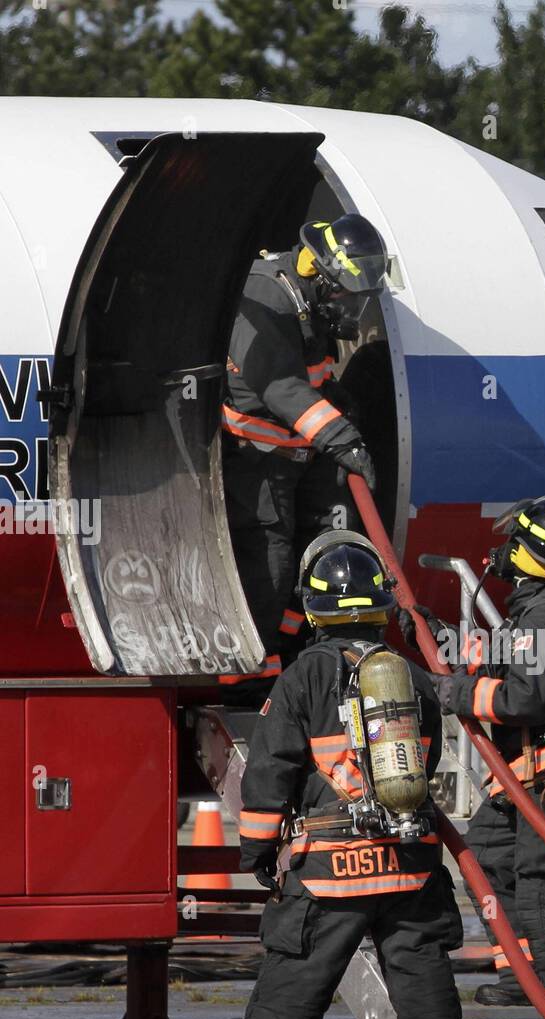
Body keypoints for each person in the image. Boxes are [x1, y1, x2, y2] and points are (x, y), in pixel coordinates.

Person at [212, 530, 475, 1019]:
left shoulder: (302, 677)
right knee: (419, 964)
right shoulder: (407, 675)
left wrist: (258, 852)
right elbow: (424, 756)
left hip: (332, 868)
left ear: (313, 609)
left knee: (299, 969)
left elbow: (269, 770)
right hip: (410, 861)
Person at [430, 497, 545, 1019]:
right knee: (487, 856)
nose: (500, 552)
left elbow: (531, 696)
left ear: (525, 550)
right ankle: (524, 974)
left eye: (510, 542)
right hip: (527, 783)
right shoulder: (538, 609)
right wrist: (436, 636)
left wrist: (462, 695)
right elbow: (503, 657)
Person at [220, 215, 385, 692]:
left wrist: (338, 402)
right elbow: (281, 388)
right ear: (317, 272)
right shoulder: (266, 298)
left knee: (308, 556)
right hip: (257, 464)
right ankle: (249, 683)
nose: (351, 307)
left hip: (296, 462)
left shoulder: (306, 300)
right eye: (345, 294)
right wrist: (344, 439)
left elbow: (312, 375)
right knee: (269, 567)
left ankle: (292, 657)